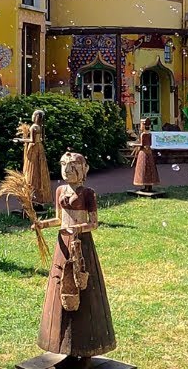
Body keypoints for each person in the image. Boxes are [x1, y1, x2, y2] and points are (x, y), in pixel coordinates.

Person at [32, 152, 116, 360]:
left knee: (84, 286)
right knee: (61, 284)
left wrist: (77, 229)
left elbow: (93, 224)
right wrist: (42, 224)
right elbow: (59, 219)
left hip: (82, 246)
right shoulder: (60, 190)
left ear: (83, 170)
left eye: (73, 166)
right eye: (64, 166)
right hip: (63, 245)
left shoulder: (88, 193)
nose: (68, 170)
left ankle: (87, 342)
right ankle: (58, 340)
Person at [15, 109, 52, 205]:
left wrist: (21, 140)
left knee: (32, 170)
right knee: (40, 170)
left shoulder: (33, 127)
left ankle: (32, 196)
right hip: (40, 148)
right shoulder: (41, 127)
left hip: (34, 149)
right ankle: (40, 196)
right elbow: (42, 139)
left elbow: (32, 140)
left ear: (35, 117)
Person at [132, 117, 160, 192]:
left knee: (144, 169)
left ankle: (146, 185)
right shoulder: (149, 134)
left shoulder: (143, 135)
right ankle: (149, 186)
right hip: (149, 153)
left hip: (143, 153)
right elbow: (149, 144)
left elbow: (142, 144)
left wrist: (134, 145)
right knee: (150, 169)